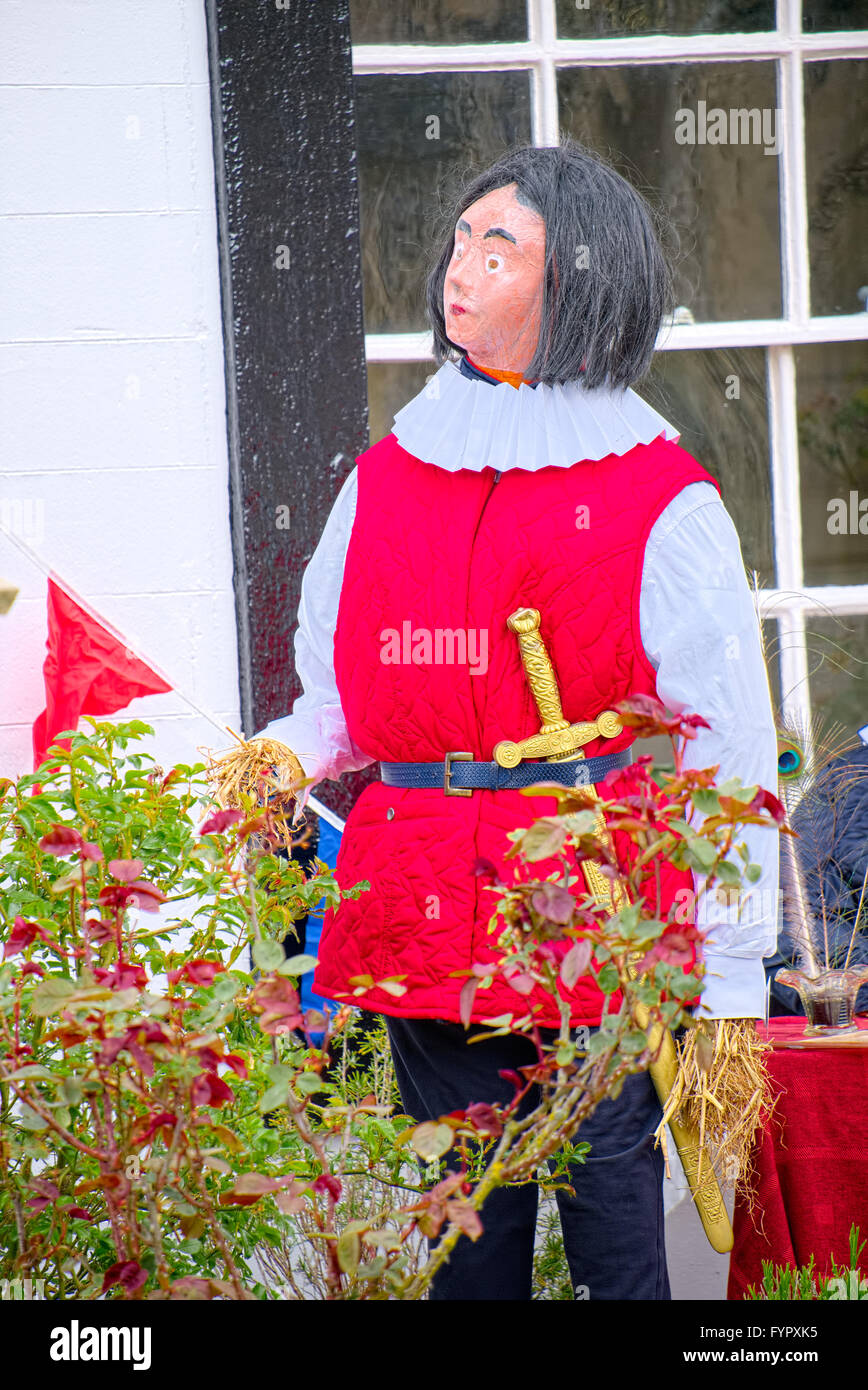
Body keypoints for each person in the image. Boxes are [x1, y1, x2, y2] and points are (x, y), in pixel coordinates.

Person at [251, 141, 780, 1299]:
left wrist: (734, 975)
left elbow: (727, 745)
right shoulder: (385, 476)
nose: (461, 269)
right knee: (468, 1247)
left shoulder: (660, 492)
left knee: (614, 1246)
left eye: (501, 250)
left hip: (593, 906)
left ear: (578, 279)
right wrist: (274, 760)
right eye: (459, 241)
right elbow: (334, 704)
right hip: (422, 906)